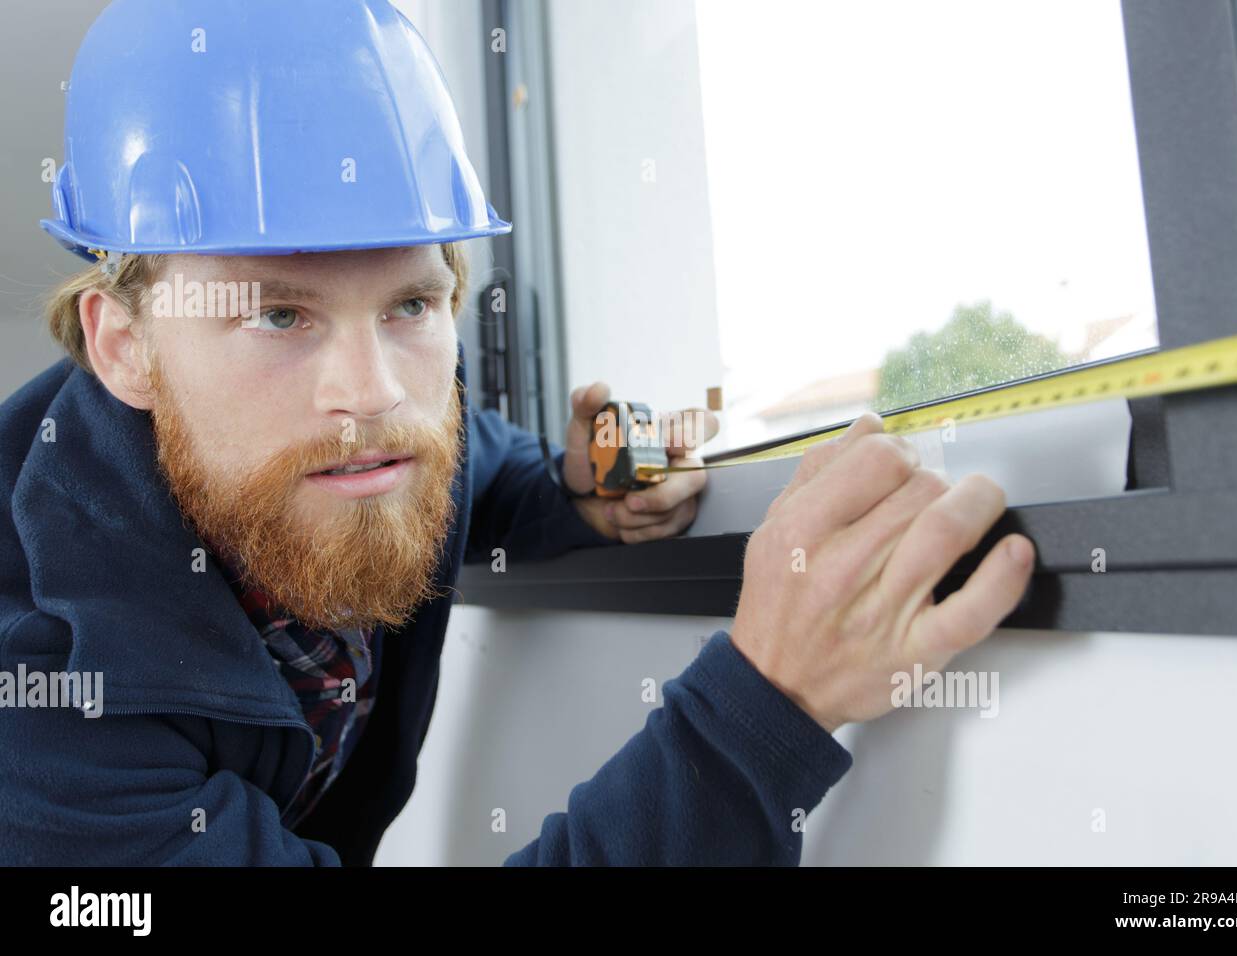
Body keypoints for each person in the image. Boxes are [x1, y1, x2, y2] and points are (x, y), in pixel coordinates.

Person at [0, 0, 1035, 865]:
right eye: (280, 315)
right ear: (125, 345)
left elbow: (483, 464)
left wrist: (574, 491)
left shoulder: (366, 443)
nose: (374, 397)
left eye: (410, 305)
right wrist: (763, 707)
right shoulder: (42, 709)